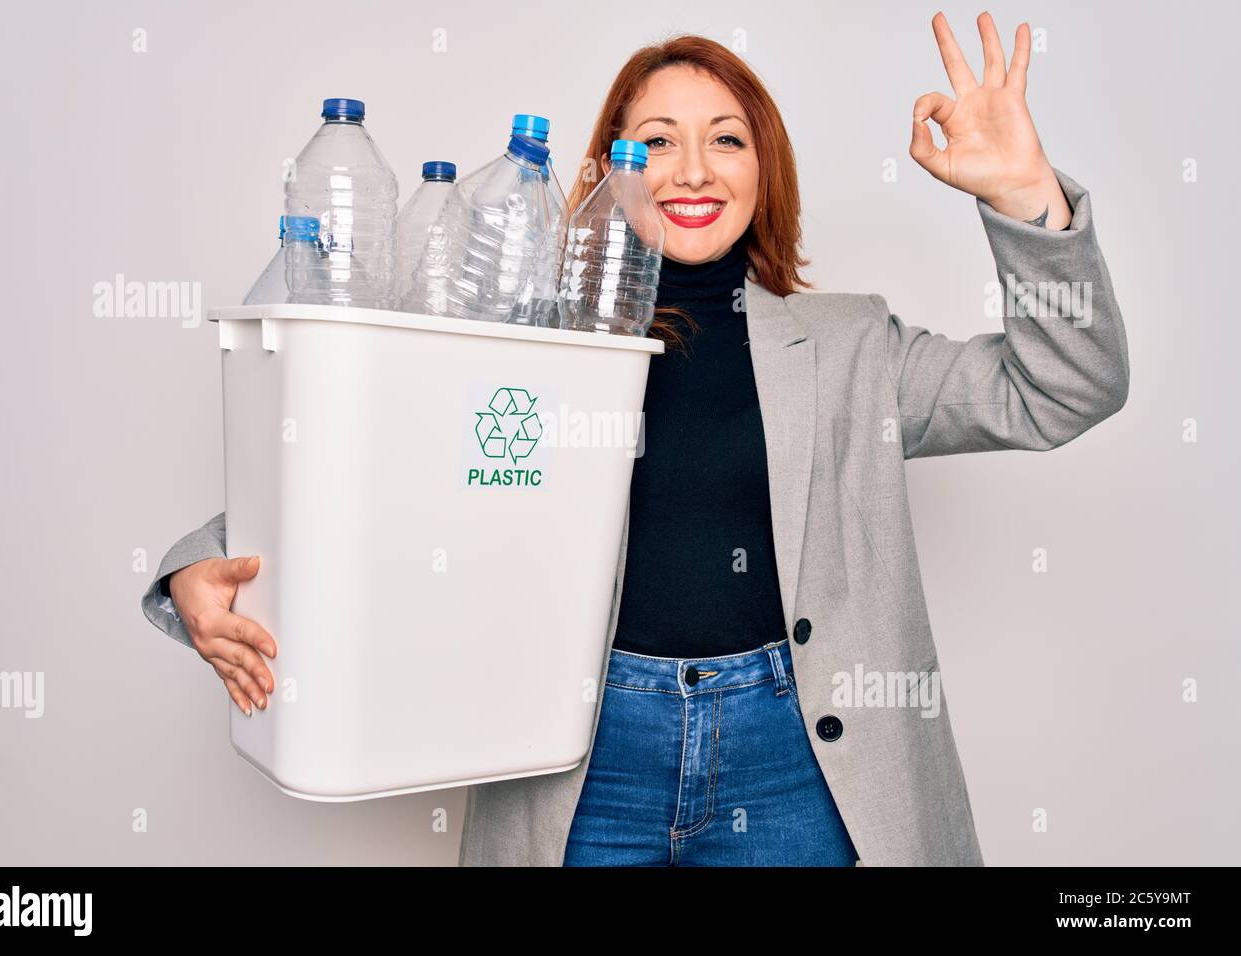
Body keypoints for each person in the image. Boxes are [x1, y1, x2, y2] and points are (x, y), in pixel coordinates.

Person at [141, 14, 1129, 866]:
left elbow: (1060, 386)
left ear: (762, 166)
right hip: (581, 755)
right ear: (612, 168)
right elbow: (370, 473)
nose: (692, 169)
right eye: (655, 141)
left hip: (794, 760)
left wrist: (1024, 197)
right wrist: (197, 568)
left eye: (726, 140)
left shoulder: (850, 344)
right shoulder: (527, 342)